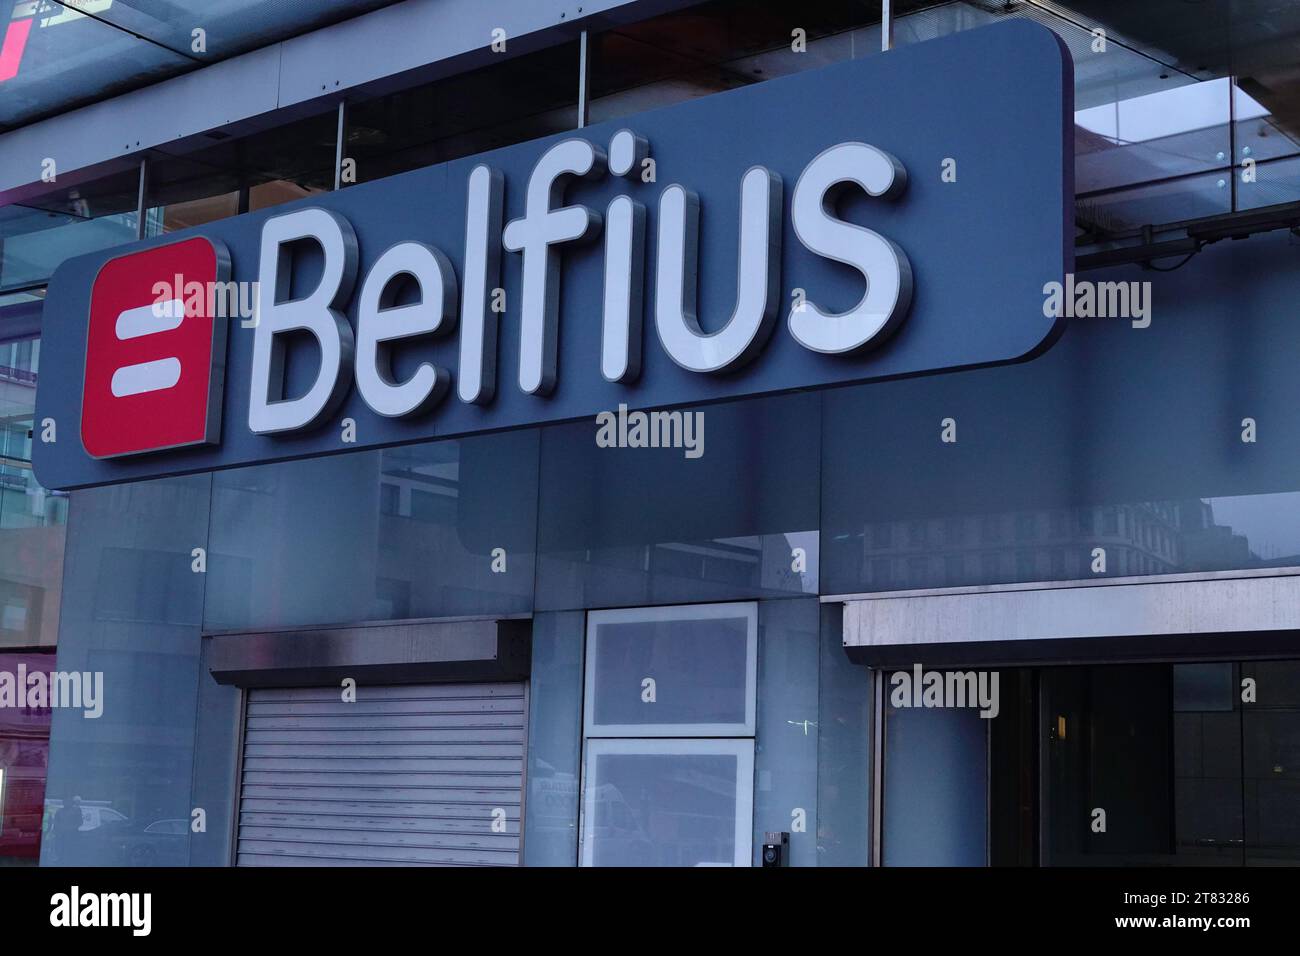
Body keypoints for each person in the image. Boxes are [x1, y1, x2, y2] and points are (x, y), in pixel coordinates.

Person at [52, 795, 85, 863]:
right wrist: (56, 830)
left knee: (70, 850)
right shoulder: (59, 811)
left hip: (72, 835)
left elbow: (80, 822)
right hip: (61, 835)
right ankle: (60, 860)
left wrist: (71, 828)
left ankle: (71, 861)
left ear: (71, 802)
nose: (65, 803)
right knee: (59, 848)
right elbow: (56, 822)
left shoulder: (76, 810)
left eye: (67, 801)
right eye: (64, 801)